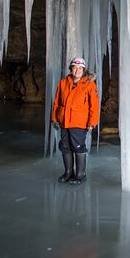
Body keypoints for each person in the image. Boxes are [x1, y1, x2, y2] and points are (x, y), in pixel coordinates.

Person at [52, 57, 99, 185]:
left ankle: (80, 174)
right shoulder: (63, 83)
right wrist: (54, 118)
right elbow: (57, 102)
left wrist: (92, 122)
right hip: (64, 121)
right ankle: (68, 173)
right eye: (75, 68)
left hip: (79, 122)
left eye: (80, 68)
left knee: (78, 147)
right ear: (71, 69)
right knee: (65, 146)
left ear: (83, 70)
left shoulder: (89, 85)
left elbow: (94, 106)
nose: (77, 70)